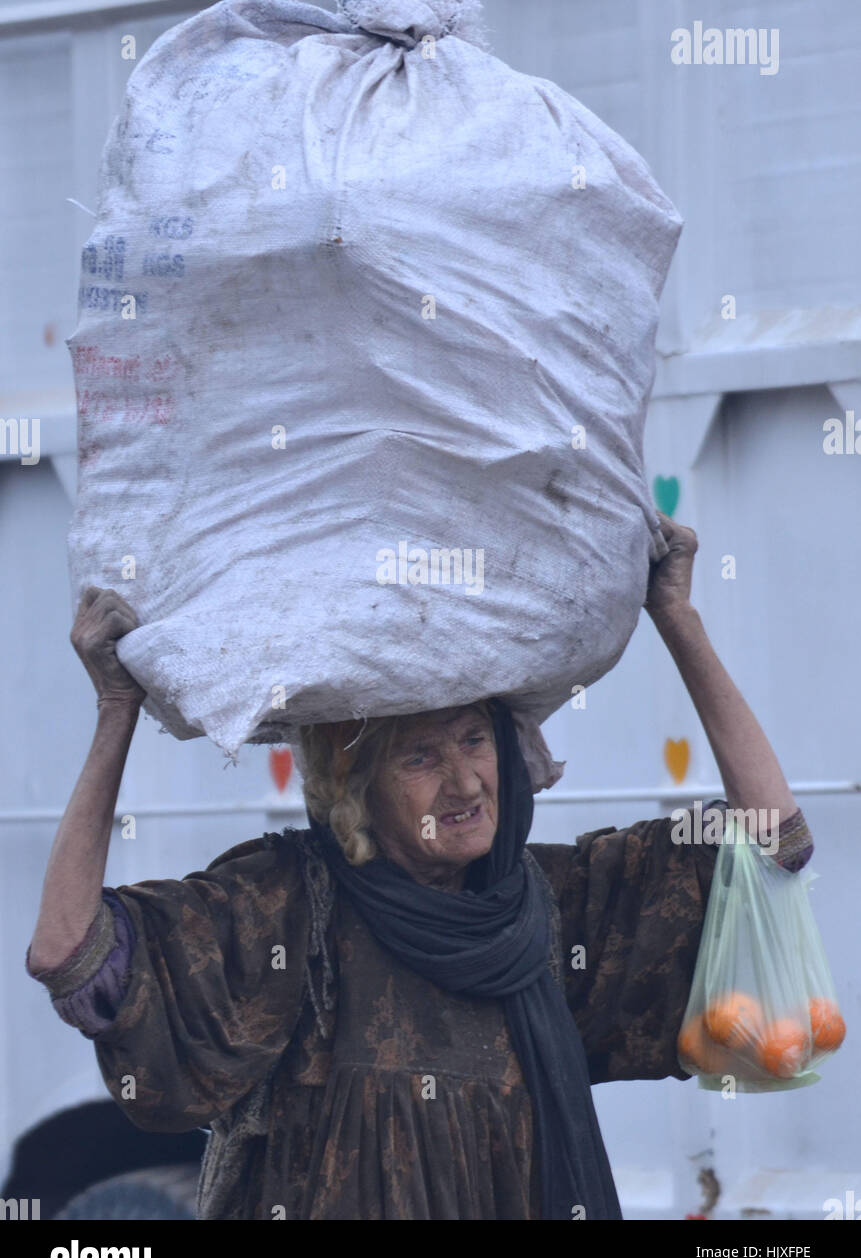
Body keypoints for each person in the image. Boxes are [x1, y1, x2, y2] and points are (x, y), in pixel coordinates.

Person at [27, 514, 813, 1219]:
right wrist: (114, 712)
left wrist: (676, 618)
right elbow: (71, 957)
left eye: (474, 740)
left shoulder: (548, 910)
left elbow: (771, 843)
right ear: (354, 790)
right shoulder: (288, 909)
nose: (466, 782)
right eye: (420, 757)